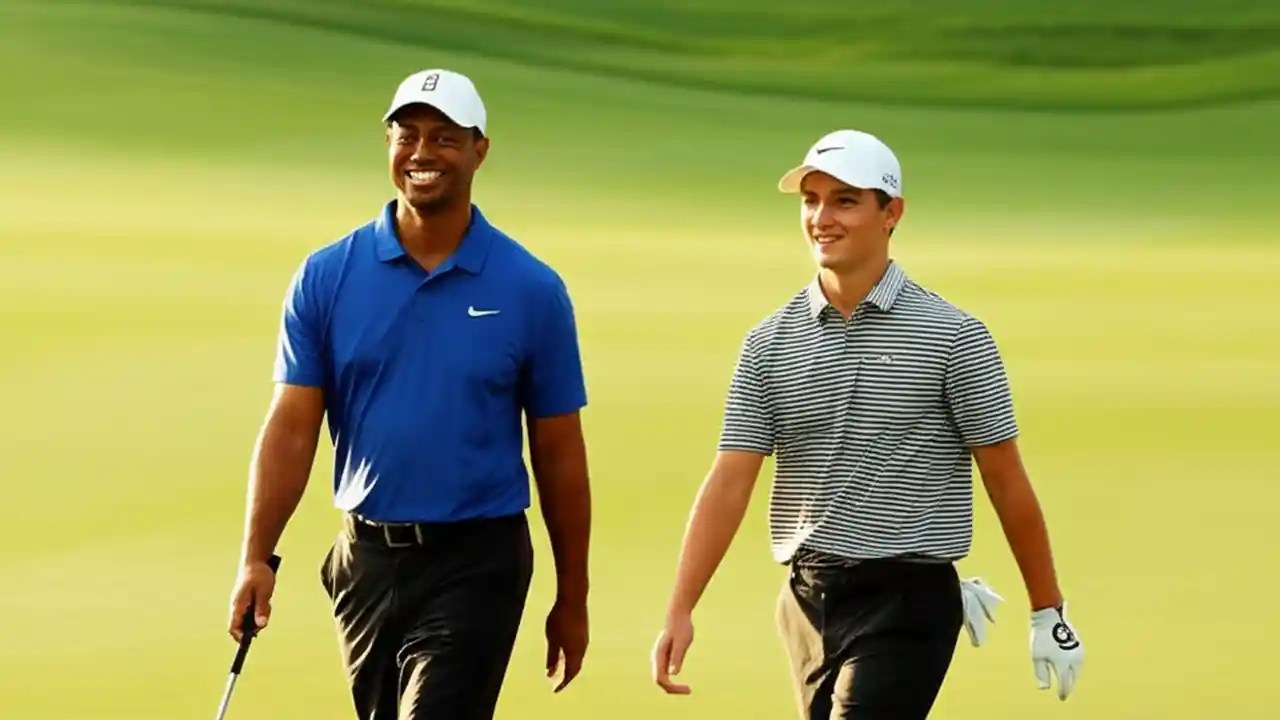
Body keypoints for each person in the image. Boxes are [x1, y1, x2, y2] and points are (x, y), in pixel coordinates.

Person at [649, 129, 1084, 718]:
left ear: (891, 213)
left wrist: (1047, 610)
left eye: (845, 201)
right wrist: (681, 606)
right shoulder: (768, 343)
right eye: (811, 200)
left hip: (906, 600)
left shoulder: (954, 337)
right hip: (806, 601)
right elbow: (730, 480)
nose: (821, 218)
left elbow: (1005, 478)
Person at [226, 68, 593, 719]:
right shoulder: (327, 276)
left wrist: (573, 594)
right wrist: (257, 556)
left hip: (478, 559)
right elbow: (291, 427)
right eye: (408, 135)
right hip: (365, 561)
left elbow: (559, 451)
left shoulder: (531, 289)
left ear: (480, 150)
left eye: (445, 138)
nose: (423, 153)